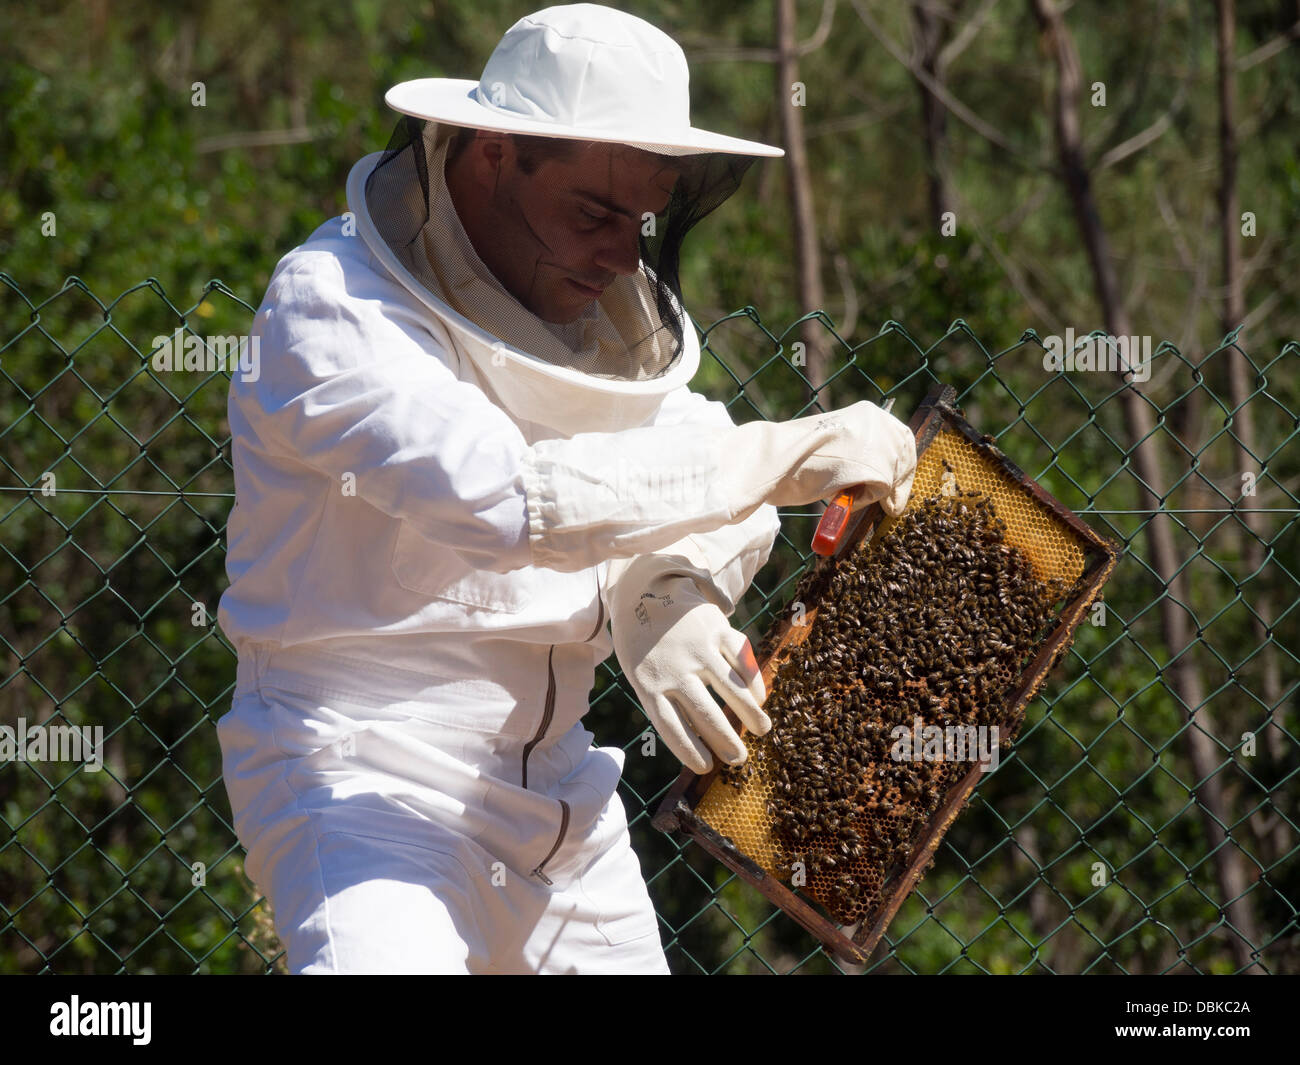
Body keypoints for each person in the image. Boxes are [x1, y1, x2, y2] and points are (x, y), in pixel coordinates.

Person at [215, 3, 916, 975]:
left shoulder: (601, 335)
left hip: (561, 792)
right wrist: (777, 456)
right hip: (358, 777)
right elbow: (501, 496)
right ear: (494, 154)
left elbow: (694, 465)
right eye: (592, 215)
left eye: (639, 221)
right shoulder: (332, 308)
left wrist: (668, 588)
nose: (623, 255)